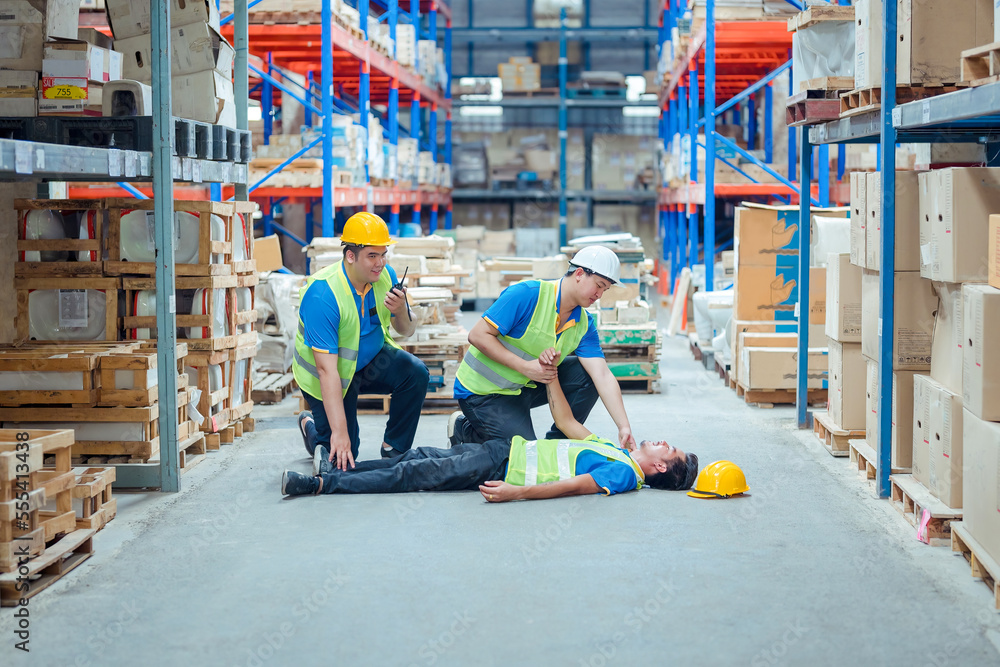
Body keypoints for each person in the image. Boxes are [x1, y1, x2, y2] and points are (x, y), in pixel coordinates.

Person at [280, 353, 699, 500]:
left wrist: (519, 493)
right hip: (507, 450)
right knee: (418, 458)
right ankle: (338, 472)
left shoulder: (625, 474)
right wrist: (550, 375)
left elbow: (575, 486)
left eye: (669, 449)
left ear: (660, 468)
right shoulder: (616, 451)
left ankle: (320, 486)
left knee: (415, 473)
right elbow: (566, 421)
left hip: (504, 471)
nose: (663, 442)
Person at [449, 245, 637, 451]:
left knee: (587, 376)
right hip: (483, 392)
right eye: (599, 285)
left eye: (605, 289)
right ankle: (465, 430)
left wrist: (623, 426)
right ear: (580, 274)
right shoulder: (527, 295)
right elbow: (477, 335)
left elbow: (601, 374)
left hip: (524, 386)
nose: (600, 294)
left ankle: (557, 444)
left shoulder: (583, 323)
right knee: (521, 456)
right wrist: (525, 367)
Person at [292, 212, 429, 470]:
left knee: (416, 374)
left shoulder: (384, 276)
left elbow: (407, 330)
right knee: (343, 455)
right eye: (372, 256)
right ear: (350, 256)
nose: (380, 263)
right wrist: (339, 433)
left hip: (369, 362)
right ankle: (312, 428)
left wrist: (401, 310)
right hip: (332, 375)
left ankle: (394, 448)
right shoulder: (323, 295)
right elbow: (326, 370)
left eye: (383, 254)